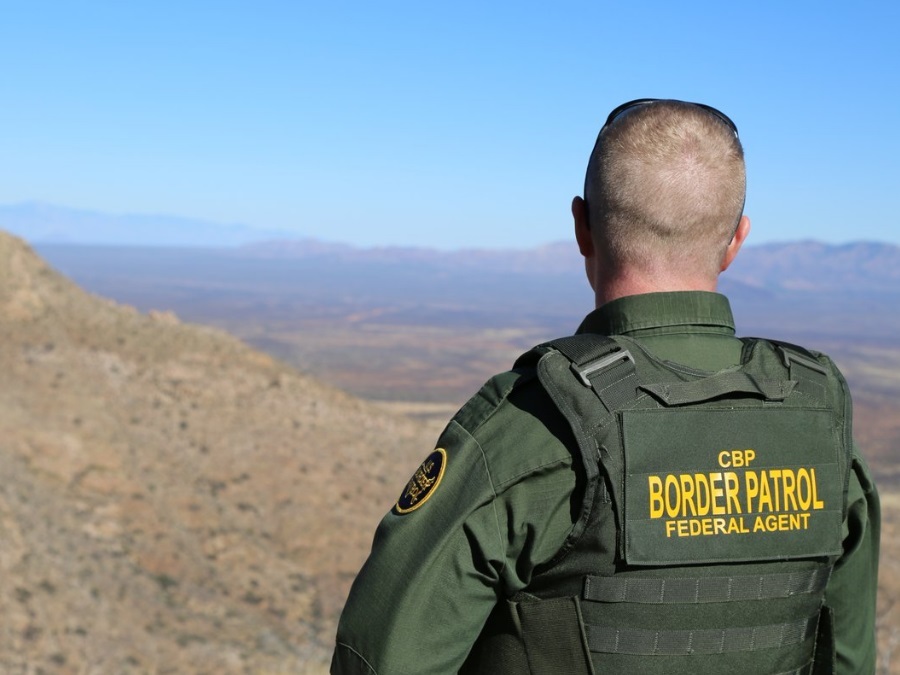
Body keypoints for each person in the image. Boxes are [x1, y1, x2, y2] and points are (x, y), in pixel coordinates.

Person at [330, 99, 880, 674]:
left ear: (581, 227)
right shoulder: (822, 431)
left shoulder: (532, 432)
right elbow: (846, 659)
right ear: (736, 240)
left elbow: (382, 660)